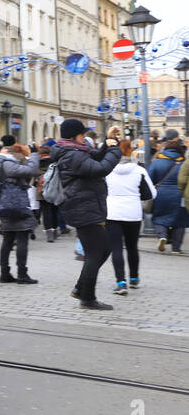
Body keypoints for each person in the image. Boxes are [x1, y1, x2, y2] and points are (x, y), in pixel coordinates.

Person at [53, 120, 122, 310]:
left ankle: (80, 289)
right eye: (82, 134)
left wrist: (108, 141)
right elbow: (99, 168)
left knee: (104, 248)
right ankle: (87, 298)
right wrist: (115, 151)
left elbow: (95, 159)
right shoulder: (72, 155)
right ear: (74, 136)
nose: (84, 137)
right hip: (81, 206)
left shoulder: (76, 151)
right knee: (95, 253)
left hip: (85, 205)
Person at [105, 139, 155, 294]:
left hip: (113, 212)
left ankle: (121, 282)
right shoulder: (139, 170)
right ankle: (134, 278)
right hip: (133, 213)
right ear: (131, 151)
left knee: (116, 248)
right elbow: (151, 194)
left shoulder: (108, 170)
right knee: (132, 247)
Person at [0, 143, 40, 283]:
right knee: (22, 238)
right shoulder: (8, 163)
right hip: (18, 204)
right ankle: (22, 274)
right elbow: (31, 170)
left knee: (7, 239)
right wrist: (34, 154)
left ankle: (5, 273)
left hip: (4, 204)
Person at [148, 133, 187, 254]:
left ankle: (162, 236)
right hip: (180, 196)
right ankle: (176, 248)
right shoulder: (184, 163)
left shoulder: (156, 162)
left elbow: (149, 180)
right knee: (180, 221)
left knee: (159, 218)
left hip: (161, 195)